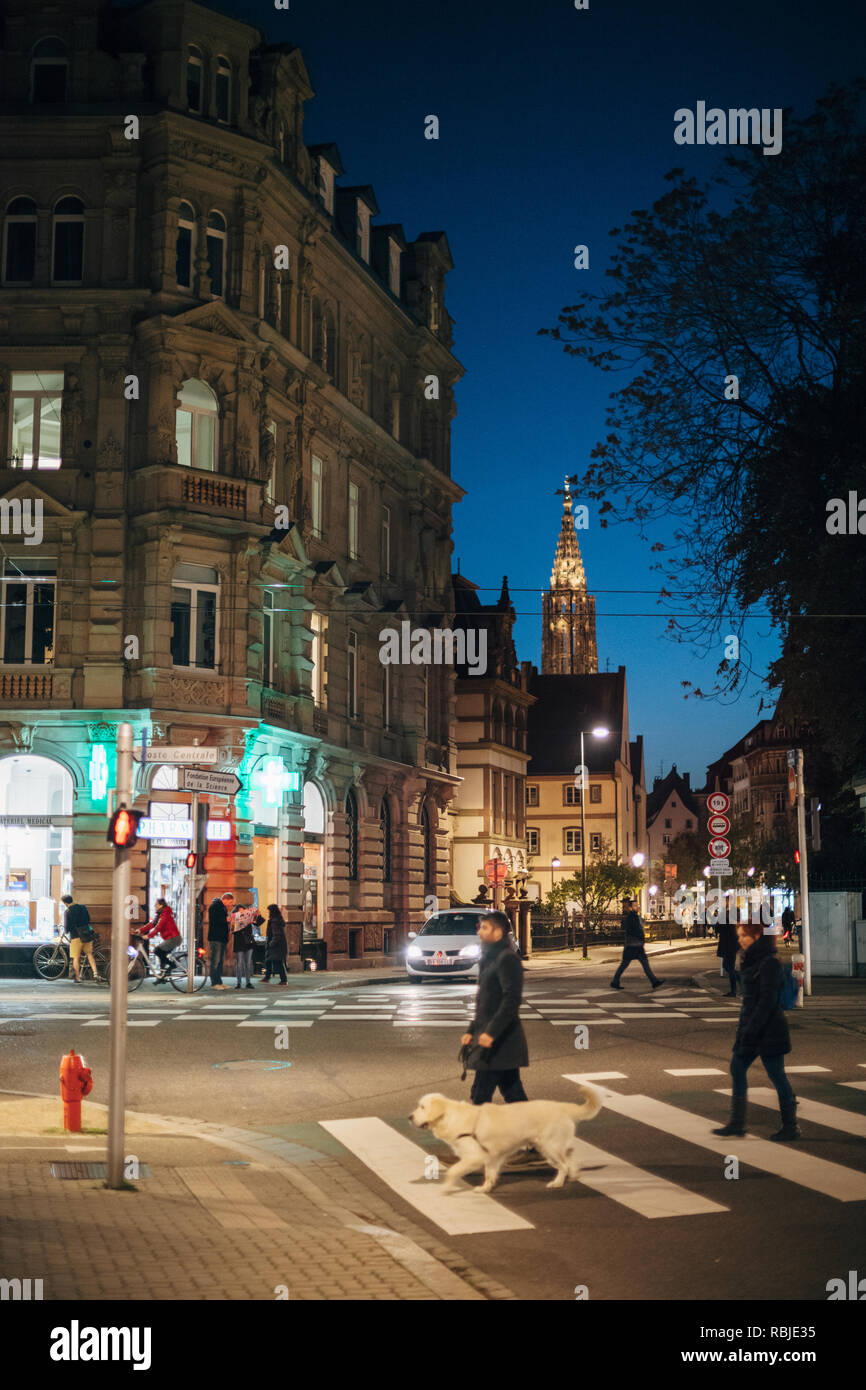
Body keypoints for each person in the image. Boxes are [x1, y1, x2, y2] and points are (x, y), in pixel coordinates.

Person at [713, 919, 800, 1141]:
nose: (740, 940)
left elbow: (767, 1001)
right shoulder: (749, 959)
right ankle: (737, 1123)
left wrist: (751, 1028)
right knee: (737, 1068)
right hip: (751, 1028)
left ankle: (791, 1126)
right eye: (739, 936)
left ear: (757, 937)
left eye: (744, 936)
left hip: (769, 1029)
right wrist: (745, 1028)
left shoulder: (769, 963)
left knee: (777, 1075)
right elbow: (750, 1001)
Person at [460, 911, 529, 1105]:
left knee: (480, 1095)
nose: (480, 932)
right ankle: (533, 1129)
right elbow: (485, 1003)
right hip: (492, 1039)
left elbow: (511, 1000)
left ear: (498, 933)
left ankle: (476, 1134)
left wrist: (490, 1033)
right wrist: (471, 1031)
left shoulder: (507, 959)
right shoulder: (489, 959)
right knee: (513, 1092)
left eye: (484, 928)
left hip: (501, 1039)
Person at [610, 897, 665, 991]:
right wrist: (641, 938)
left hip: (635, 945)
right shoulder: (632, 917)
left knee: (642, 963)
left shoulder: (634, 916)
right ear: (630, 908)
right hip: (633, 945)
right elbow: (635, 930)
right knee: (626, 964)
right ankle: (615, 981)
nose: (638, 907)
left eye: (637, 905)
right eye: (635, 906)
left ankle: (654, 981)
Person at [141, 898, 182, 982]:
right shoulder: (160, 915)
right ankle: (162, 976)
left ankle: (172, 964)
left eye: (156, 904)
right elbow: (152, 924)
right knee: (162, 954)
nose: (154, 906)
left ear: (161, 905)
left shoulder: (165, 915)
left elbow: (158, 928)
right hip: (170, 938)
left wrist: (148, 936)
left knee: (157, 951)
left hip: (174, 938)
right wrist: (140, 930)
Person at [61, 893, 98, 982]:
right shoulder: (83, 907)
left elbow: (67, 927)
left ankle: (77, 977)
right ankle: (96, 973)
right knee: (89, 954)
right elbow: (88, 919)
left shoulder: (68, 911)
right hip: (87, 934)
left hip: (76, 937)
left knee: (76, 958)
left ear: (65, 903)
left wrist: (65, 931)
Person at [207, 892, 234, 991]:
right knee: (216, 961)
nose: (231, 904)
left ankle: (219, 981)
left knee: (219, 961)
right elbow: (214, 920)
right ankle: (214, 982)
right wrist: (226, 919)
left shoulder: (221, 907)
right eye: (230, 902)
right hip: (216, 937)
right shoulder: (215, 906)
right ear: (225, 899)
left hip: (221, 937)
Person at [231, 904, 258, 990]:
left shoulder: (249, 919)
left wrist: (256, 916)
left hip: (248, 943)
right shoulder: (235, 919)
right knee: (239, 963)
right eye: (240, 912)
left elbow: (258, 923)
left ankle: (248, 982)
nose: (242, 913)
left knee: (248, 963)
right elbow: (232, 931)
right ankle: (238, 983)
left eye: (244, 911)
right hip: (239, 943)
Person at [263, 904, 289, 985]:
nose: (268, 913)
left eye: (269, 911)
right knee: (269, 961)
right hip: (279, 945)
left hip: (276, 946)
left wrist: (271, 943)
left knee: (277, 962)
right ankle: (267, 977)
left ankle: (283, 980)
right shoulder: (277, 920)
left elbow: (277, 934)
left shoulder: (274, 921)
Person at [716, 918, 739, 997]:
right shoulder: (731, 924)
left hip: (728, 948)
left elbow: (717, 929)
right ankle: (737, 984)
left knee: (729, 968)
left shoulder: (726, 924)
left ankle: (734, 989)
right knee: (727, 967)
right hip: (730, 948)